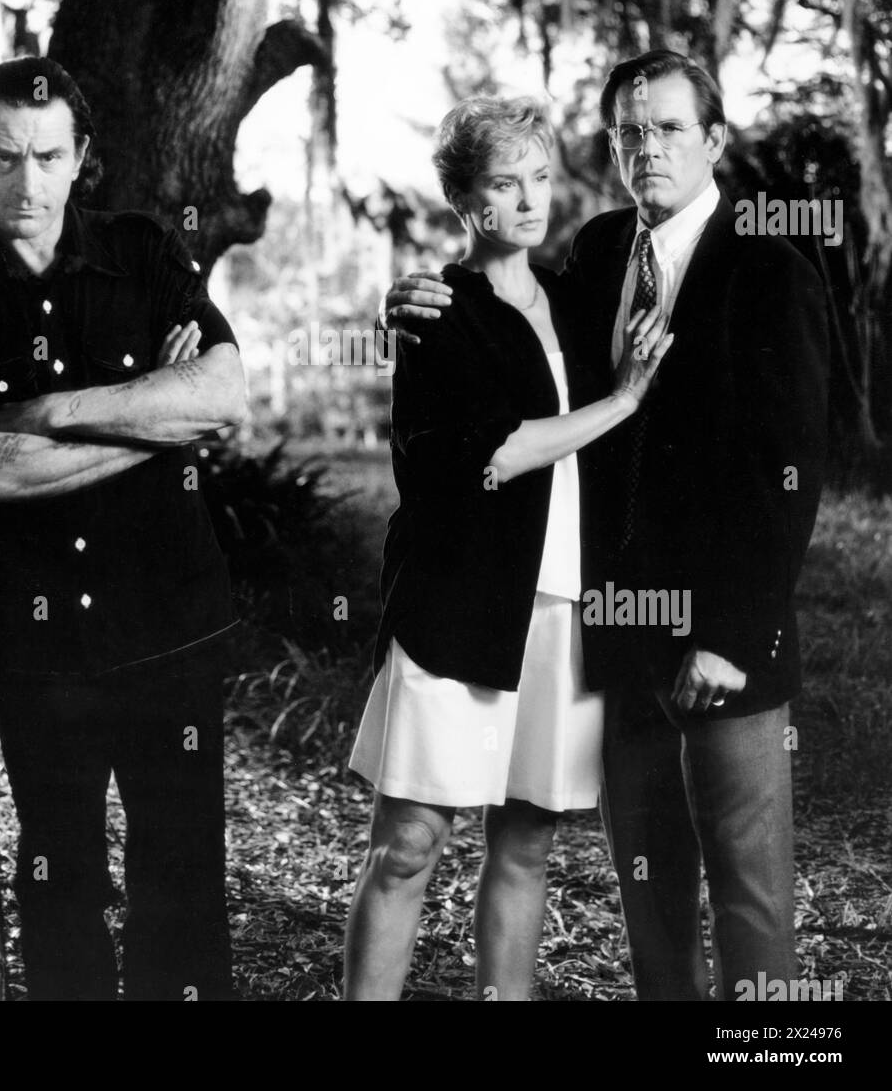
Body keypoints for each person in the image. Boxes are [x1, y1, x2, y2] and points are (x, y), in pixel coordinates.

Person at [382, 50, 829, 1001]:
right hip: (616, 635)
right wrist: (418, 296)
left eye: (668, 128)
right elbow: (511, 331)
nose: (646, 148)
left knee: (749, 893)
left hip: (723, 642)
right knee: (649, 890)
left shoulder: (767, 268)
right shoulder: (591, 255)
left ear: (714, 139)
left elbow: (783, 476)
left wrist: (729, 636)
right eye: (628, 131)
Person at [0, 57, 247, 1001]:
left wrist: (50, 413)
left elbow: (221, 393)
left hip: (171, 626)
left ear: (81, 158)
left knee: (180, 875)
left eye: (48, 155)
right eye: (4, 157)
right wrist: (150, 416)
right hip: (37, 638)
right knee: (59, 873)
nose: (28, 181)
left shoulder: (143, 250)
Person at [345, 95, 673, 1001]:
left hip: (566, 610)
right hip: (459, 607)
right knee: (408, 846)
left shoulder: (577, 297)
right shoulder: (439, 312)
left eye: (538, 176)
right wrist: (619, 403)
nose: (528, 199)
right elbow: (493, 454)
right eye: (503, 183)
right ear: (464, 200)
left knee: (526, 841)